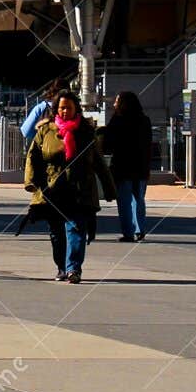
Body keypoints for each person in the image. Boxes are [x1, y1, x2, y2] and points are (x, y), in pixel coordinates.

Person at [25, 89, 116, 284]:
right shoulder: (45, 130)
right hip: (53, 189)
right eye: (61, 108)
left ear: (76, 108)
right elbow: (33, 157)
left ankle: (73, 268)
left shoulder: (85, 131)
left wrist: (109, 188)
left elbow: (98, 162)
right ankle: (61, 266)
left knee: (76, 227)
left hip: (79, 189)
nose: (64, 111)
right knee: (56, 232)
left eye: (68, 107)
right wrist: (32, 183)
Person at [101, 90, 152, 242]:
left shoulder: (117, 120)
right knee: (138, 199)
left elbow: (107, 144)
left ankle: (128, 232)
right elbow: (148, 144)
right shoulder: (145, 120)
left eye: (117, 101)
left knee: (124, 201)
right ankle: (139, 229)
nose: (114, 104)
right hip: (141, 167)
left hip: (122, 167)